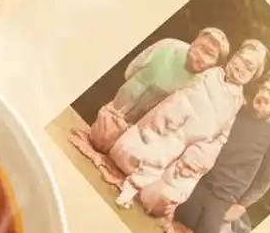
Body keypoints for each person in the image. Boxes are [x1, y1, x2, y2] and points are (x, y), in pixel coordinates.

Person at [110, 40, 267, 207]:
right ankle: (132, 184)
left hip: (189, 146)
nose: (242, 68)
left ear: (252, 76)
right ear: (234, 57)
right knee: (133, 152)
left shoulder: (237, 102)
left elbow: (220, 137)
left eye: (250, 68)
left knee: (164, 190)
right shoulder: (210, 73)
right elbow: (182, 95)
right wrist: (169, 117)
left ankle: (140, 186)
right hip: (170, 125)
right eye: (242, 59)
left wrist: (198, 156)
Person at [174, 68, 270, 233]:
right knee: (183, 215)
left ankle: (237, 229)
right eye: (264, 89)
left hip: (228, 194)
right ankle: (225, 222)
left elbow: (267, 176)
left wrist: (241, 205)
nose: (265, 95)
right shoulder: (239, 107)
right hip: (204, 179)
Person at [87, 27, 230, 153]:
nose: (201, 56)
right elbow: (133, 68)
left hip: (142, 130)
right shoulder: (169, 46)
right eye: (201, 47)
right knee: (97, 136)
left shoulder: (201, 85)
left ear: (215, 65)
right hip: (121, 104)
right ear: (193, 42)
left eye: (209, 54)